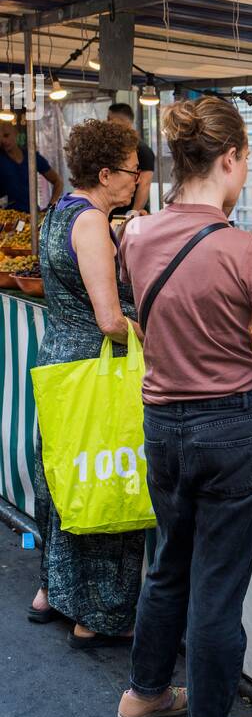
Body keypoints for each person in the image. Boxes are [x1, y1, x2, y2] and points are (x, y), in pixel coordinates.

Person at [116, 97, 252, 717]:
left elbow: (139, 317)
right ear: (229, 160)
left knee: (167, 563)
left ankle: (144, 694)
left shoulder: (134, 235)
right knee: (218, 585)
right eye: (244, 163)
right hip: (233, 428)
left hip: (163, 424)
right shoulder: (245, 249)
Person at [29, 119, 145, 645]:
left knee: (63, 478)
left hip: (60, 360)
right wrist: (151, 332)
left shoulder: (57, 212)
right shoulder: (92, 224)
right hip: (95, 366)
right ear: (105, 173)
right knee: (104, 477)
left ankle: (53, 591)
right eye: (131, 169)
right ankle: (94, 616)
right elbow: (109, 320)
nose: (138, 177)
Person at [0, 120, 62, 213]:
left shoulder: (31, 156)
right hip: (8, 220)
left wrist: (50, 206)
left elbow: (58, 181)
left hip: (32, 217)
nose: (3, 141)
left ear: (15, 133)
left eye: (6, 135)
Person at [107, 102, 155, 215]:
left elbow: (144, 184)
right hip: (112, 212)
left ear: (122, 121)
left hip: (129, 213)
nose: (107, 122)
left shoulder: (143, 150)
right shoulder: (113, 147)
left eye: (109, 118)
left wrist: (133, 213)